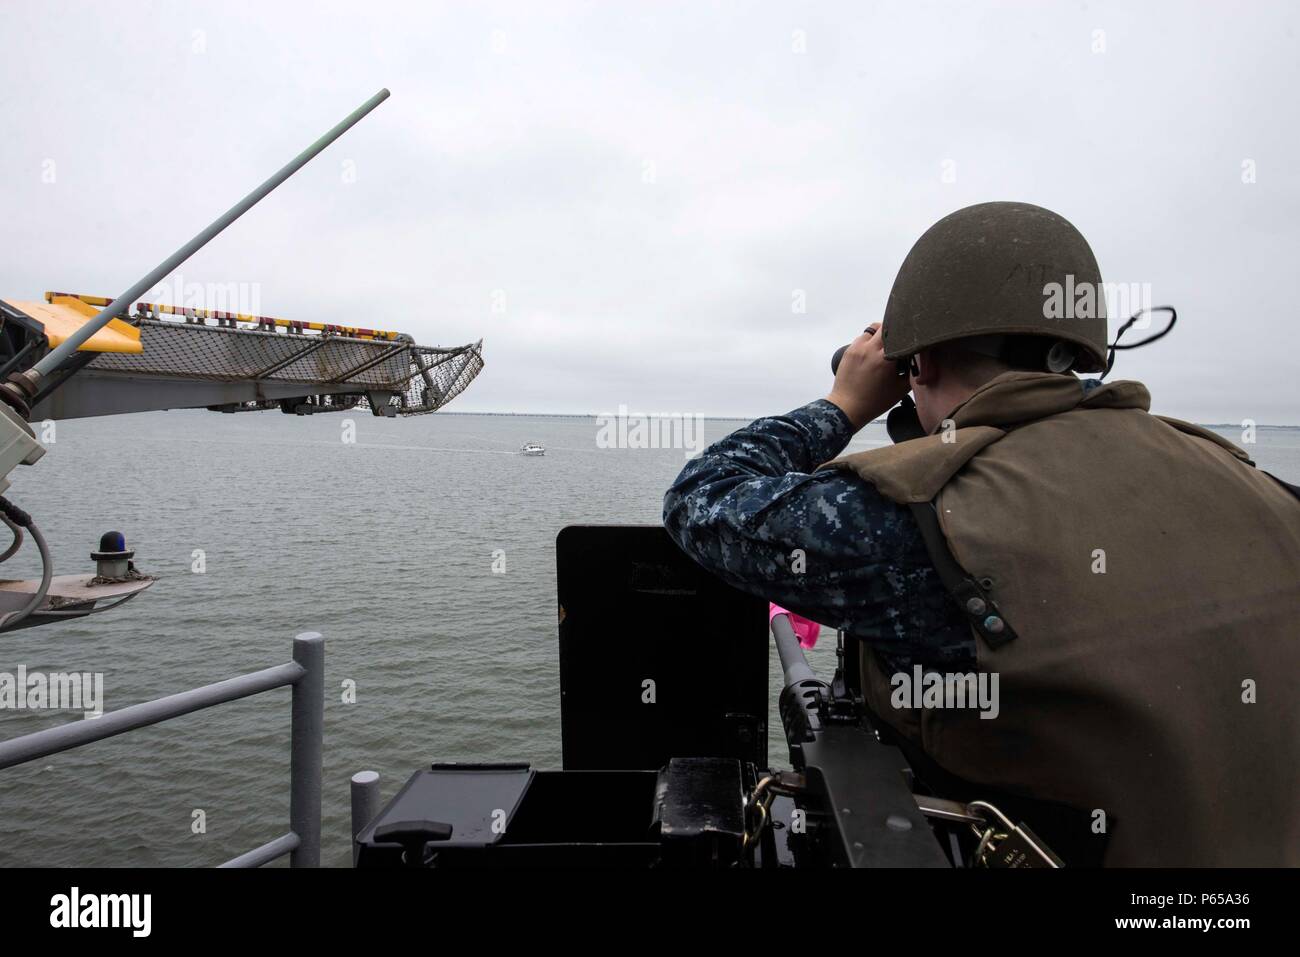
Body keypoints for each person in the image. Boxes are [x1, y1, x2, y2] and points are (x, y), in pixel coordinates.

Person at [663, 201, 1300, 866]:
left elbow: (698, 499)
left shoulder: (923, 513)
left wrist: (842, 404)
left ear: (923, 363)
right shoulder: (1258, 485)